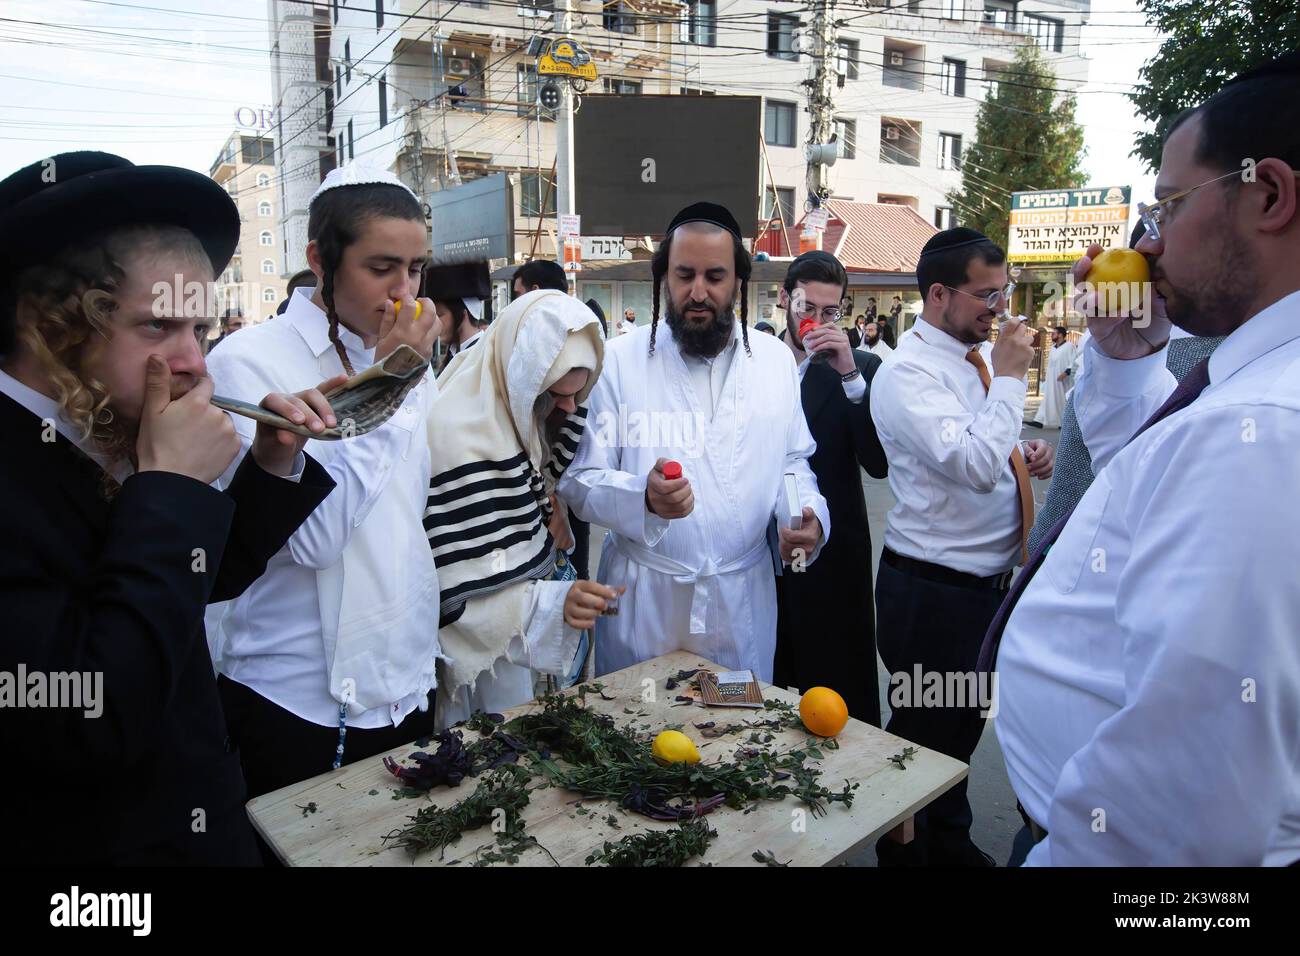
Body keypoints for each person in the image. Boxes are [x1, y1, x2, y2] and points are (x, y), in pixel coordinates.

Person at [985, 52, 1300, 867]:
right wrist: (1126, 360)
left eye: (1169, 206)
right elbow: (1152, 505)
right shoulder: (1254, 395)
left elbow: (1177, 821)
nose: (1150, 245)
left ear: (1267, 196)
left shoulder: (1262, 429)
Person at [0, 151, 337, 864]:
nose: (194, 364)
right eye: (158, 328)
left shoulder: (96, 429)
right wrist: (172, 492)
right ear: (50, 325)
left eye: (200, 330)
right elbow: (89, 713)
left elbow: (185, 592)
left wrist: (271, 463)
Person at [204, 164, 445, 807]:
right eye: (381, 267)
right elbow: (314, 540)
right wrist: (391, 386)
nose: (404, 290)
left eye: (417, 268)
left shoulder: (407, 362)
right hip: (294, 697)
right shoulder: (250, 361)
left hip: (405, 683)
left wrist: (396, 376)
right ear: (319, 259)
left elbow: (406, 516)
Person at [558, 202, 828, 681]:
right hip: (646, 600)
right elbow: (579, 482)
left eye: (714, 276)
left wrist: (806, 514)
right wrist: (642, 497)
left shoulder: (775, 362)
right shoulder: (618, 361)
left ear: (739, 283)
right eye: (684, 275)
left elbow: (793, 458)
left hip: (740, 596)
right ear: (664, 278)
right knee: (638, 741)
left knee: (739, 743)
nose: (697, 292)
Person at [868, 227, 1054, 867]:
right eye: (985, 296)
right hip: (933, 590)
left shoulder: (971, 361)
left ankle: (943, 840)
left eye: (1001, 293)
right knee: (926, 733)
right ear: (939, 293)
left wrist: (1024, 460)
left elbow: (988, 453)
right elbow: (972, 463)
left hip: (981, 588)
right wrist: (1006, 380)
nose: (998, 308)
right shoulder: (907, 374)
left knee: (957, 731)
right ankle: (911, 852)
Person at [426, 290, 622, 726]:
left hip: (517, 667)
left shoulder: (515, 417)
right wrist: (555, 603)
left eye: (580, 392)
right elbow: (462, 593)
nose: (571, 408)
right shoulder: (460, 438)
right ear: (524, 380)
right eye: (557, 394)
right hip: (476, 680)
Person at [1027, 224, 1226, 554]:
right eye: (1150, 222)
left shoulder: (1222, 355)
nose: (1151, 242)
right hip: (1063, 557)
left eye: (1170, 209)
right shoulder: (1115, 346)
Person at [771, 251, 888, 724]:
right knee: (767, 682)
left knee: (841, 693)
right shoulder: (752, 361)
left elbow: (877, 463)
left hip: (837, 552)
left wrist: (850, 377)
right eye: (806, 308)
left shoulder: (861, 368)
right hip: (766, 549)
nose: (815, 322)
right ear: (783, 298)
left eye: (830, 312)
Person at [426, 259, 492, 374]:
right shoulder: (456, 352)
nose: (434, 323)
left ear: (463, 314)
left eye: (440, 315)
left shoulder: (484, 355)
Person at [1030, 326, 1075, 428]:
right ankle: (1039, 420)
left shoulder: (1069, 346)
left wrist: (1066, 372)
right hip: (1052, 379)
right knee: (1048, 398)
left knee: (1062, 400)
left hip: (1063, 379)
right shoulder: (1053, 348)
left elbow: (1073, 360)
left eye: (1054, 333)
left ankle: (1063, 422)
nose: (1052, 335)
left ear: (1060, 335)